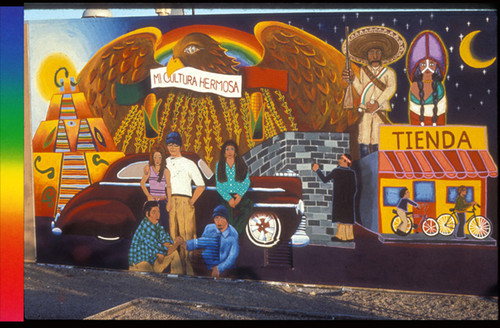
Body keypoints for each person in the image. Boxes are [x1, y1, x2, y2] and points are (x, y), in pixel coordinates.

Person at [342, 26, 406, 158]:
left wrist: (378, 103)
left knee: (377, 140)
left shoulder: (389, 72)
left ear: (382, 54)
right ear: (367, 55)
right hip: (365, 111)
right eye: (371, 53)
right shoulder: (363, 71)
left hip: (379, 111)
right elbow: (362, 90)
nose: (375, 55)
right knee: (364, 140)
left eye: (377, 52)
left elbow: (390, 89)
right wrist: (353, 79)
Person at [165, 131, 205, 275]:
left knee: (186, 236)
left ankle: (189, 272)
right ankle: (176, 270)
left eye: (175, 145)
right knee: (173, 236)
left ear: (180, 146)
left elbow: (201, 185)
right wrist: (169, 201)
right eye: (170, 145)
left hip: (185, 200)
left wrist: (191, 201)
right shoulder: (167, 162)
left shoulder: (189, 163)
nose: (172, 148)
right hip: (172, 200)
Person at [182, 205, 239, 279]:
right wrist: (188, 245)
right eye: (216, 218)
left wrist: (218, 269)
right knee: (191, 254)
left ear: (226, 219)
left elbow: (232, 258)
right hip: (208, 265)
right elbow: (202, 242)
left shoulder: (233, 234)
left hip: (225, 268)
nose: (219, 221)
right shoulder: (209, 228)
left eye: (222, 218)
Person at [128, 200, 183, 274]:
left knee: (174, 253)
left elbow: (167, 238)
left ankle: (178, 279)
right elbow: (164, 251)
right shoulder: (145, 228)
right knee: (147, 268)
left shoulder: (156, 225)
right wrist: (176, 244)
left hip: (151, 263)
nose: (158, 215)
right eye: (154, 212)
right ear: (147, 214)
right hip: (139, 266)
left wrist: (164, 248)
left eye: (158, 212)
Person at [406, 30, 448, 126]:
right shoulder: (414, 87)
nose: (427, 68)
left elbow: (441, 118)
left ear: (437, 67)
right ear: (417, 67)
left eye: (432, 64)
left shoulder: (439, 88)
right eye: (423, 64)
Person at [312, 154, 357, 242]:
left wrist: (317, 170)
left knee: (341, 218)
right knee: (346, 218)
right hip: (348, 200)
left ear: (345, 161)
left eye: (341, 159)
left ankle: (341, 237)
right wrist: (350, 197)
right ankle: (348, 236)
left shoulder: (337, 171)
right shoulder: (351, 173)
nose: (339, 160)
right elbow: (354, 188)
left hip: (340, 199)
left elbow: (325, 179)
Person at [215, 139, 253, 234]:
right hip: (225, 197)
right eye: (227, 149)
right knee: (225, 212)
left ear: (235, 151)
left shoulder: (241, 164)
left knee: (248, 206)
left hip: (238, 195)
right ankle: (229, 233)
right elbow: (219, 185)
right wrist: (229, 198)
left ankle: (235, 231)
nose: (229, 152)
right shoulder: (219, 165)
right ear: (224, 151)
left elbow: (246, 181)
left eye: (232, 149)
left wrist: (239, 195)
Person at [140, 144, 170, 231]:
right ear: (152, 158)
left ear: (162, 158)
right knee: (152, 226)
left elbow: (169, 187)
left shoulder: (166, 171)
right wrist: (148, 195)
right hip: (152, 203)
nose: (157, 159)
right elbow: (142, 183)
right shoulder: (149, 169)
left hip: (163, 201)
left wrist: (169, 202)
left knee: (164, 226)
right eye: (155, 157)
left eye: (159, 157)